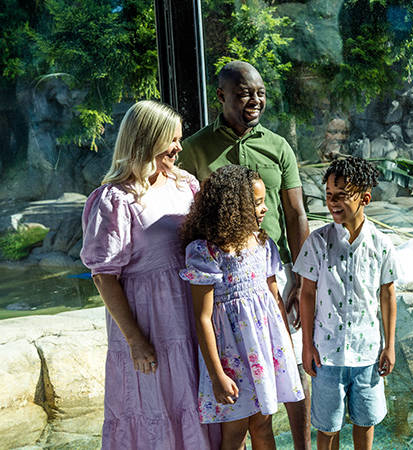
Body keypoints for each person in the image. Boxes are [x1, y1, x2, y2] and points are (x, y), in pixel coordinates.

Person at [180, 60, 311, 449]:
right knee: (242, 415)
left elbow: (295, 212)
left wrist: (301, 278)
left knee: (286, 364)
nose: (254, 101)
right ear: (220, 96)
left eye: (260, 94)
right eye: (243, 94)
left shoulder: (278, 146)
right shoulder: (195, 148)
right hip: (223, 284)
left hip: (269, 268)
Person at [80, 100, 216, 449]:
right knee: (155, 407)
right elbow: (103, 276)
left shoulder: (185, 185)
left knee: (196, 404)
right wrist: (136, 341)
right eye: (172, 139)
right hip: (150, 322)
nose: (179, 147)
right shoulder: (115, 198)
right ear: (148, 140)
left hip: (190, 315)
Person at [179, 165, 305, 449]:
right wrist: (216, 375)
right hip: (230, 357)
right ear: (233, 207)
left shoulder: (263, 244)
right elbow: (203, 318)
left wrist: (285, 349)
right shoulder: (205, 251)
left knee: (263, 425)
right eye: (257, 203)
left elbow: (274, 300)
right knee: (234, 432)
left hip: (263, 351)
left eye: (263, 201)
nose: (265, 209)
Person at [294, 157, 398, 450]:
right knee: (328, 428)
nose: (333, 202)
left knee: (365, 423)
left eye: (341, 196)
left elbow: (387, 295)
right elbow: (307, 293)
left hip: (367, 354)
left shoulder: (381, 245)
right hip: (327, 355)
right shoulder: (317, 242)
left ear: (365, 198)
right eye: (329, 195)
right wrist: (306, 345)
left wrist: (389, 345)